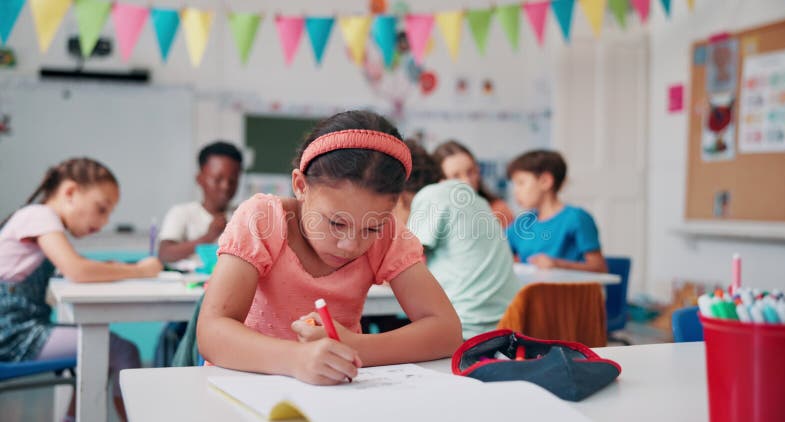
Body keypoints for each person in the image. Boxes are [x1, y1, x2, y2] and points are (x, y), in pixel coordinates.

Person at [197, 110, 462, 385]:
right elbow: (212, 332)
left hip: (335, 396)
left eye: (372, 227)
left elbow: (446, 330)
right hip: (244, 388)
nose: (351, 245)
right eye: (335, 223)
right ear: (301, 186)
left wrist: (356, 346)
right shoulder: (262, 219)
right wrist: (297, 359)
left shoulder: (388, 234)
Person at [0, 157, 161, 421]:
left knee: (103, 348)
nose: (104, 221)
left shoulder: (39, 218)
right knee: (122, 350)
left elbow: (73, 267)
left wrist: (104, 268)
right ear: (70, 192)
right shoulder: (40, 216)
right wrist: (140, 270)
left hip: (17, 331)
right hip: (11, 336)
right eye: (101, 208)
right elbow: (77, 270)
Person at [395, 141, 520, 339]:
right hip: (510, 324)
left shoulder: (430, 197)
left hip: (467, 331)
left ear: (398, 198)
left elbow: (400, 265)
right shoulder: (475, 199)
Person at [505, 150, 607, 273]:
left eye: (521, 183)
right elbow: (497, 255)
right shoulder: (521, 223)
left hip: (565, 291)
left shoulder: (576, 218)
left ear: (545, 181)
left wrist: (558, 265)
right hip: (530, 290)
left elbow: (599, 268)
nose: (515, 191)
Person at [157, 141, 242, 264]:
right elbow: (165, 254)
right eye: (218, 179)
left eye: (233, 181)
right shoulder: (182, 213)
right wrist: (208, 237)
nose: (225, 186)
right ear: (199, 179)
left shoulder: (242, 216)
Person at [432, 140, 515, 228]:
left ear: (478, 170)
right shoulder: (433, 215)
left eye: (470, 172)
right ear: (441, 181)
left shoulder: (499, 210)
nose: (467, 181)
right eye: (456, 176)